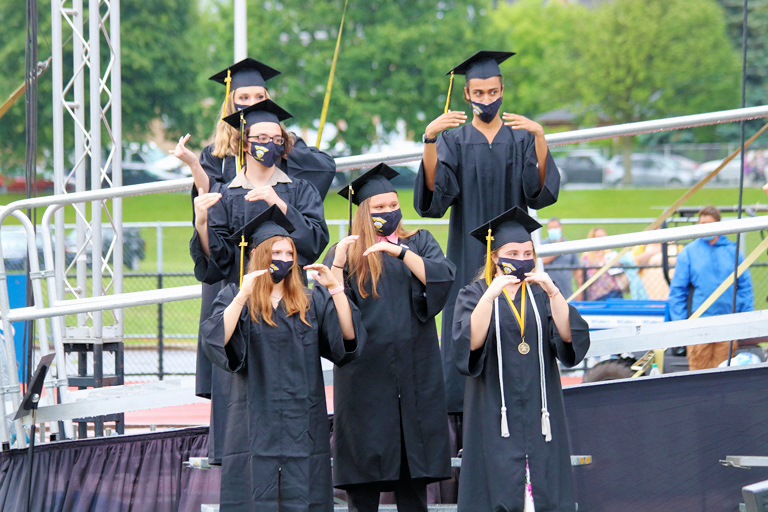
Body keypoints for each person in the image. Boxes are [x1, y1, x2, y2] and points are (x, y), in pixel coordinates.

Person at [413, 51, 561, 478]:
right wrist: (428, 141)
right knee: (470, 328)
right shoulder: (454, 140)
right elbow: (434, 201)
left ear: (503, 91)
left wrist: (540, 137)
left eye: (493, 91)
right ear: (466, 93)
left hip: (515, 254)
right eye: (479, 92)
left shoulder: (519, 138)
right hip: (468, 254)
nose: (487, 99)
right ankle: (465, 419)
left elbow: (540, 193)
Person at [191, 99, 329, 464]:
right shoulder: (226, 192)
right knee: (241, 396)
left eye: (275, 137)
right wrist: (202, 223)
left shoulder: (300, 191)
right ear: (244, 143)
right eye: (259, 137)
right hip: (244, 309)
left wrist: (279, 203)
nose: (267, 143)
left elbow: (314, 244)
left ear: (283, 144)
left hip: (290, 310)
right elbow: (216, 262)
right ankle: (239, 467)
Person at [200, 205, 363, 511]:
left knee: (304, 492)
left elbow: (349, 339)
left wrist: (336, 290)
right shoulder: (238, 298)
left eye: (290, 254)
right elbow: (216, 340)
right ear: (261, 256)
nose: (285, 260)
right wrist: (242, 295)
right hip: (253, 420)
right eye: (277, 253)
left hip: (302, 420)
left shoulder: (309, 301)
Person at [327, 164, 455, 511]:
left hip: (415, 375)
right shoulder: (346, 253)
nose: (388, 212)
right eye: (378, 208)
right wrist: (337, 267)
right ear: (363, 213)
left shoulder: (419, 243)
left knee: (413, 483)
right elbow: (330, 312)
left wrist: (400, 252)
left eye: (392, 205)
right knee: (363, 486)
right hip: (365, 380)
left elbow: (442, 278)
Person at [452, 206, 590, 512]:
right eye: (513, 252)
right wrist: (491, 295)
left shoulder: (541, 294)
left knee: (543, 492)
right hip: (494, 411)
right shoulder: (474, 294)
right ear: (495, 257)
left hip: (541, 413)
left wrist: (555, 294)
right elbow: (468, 345)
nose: (521, 259)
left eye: (528, 252)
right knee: (498, 487)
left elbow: (570, 340)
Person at [174, 58, 337, 199]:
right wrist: (194, 164)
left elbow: (322, 169)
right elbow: (208, 198)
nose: (253, 103)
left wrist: (277, 145)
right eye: (244, 98)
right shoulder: (216, 154)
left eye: (260, 97)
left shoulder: (287, 142)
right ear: (231, 104)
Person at [668, 206, 754, 370]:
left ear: (719, 225)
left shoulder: (733, 252)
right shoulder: (690, 253)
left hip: (727, 325)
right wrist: (680, 324)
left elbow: (745, 288)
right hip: (699, 326)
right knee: (699, 375)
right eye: (701, 224)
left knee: (724, 373)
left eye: (709, 224)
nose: (704, 228)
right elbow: (678, 291)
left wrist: (745, 319)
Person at [576, 227, 628, 301]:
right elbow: (588, 276)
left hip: (614, 292)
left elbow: (619, 271)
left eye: (604, 236)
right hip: (597, 295)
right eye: (599, 237)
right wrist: (601, 265)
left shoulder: (611, 254)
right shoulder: (587, 257)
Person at [540, 218, 579, 300]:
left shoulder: (570, 246)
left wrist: (580, 292)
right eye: (551, 228)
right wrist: (558, 251)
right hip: (547, 292)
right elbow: (541, 262)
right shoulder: (542, 246)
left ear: (561, 228)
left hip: (567, 291)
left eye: (556, 227)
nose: (553, 230)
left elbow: (577, 270)